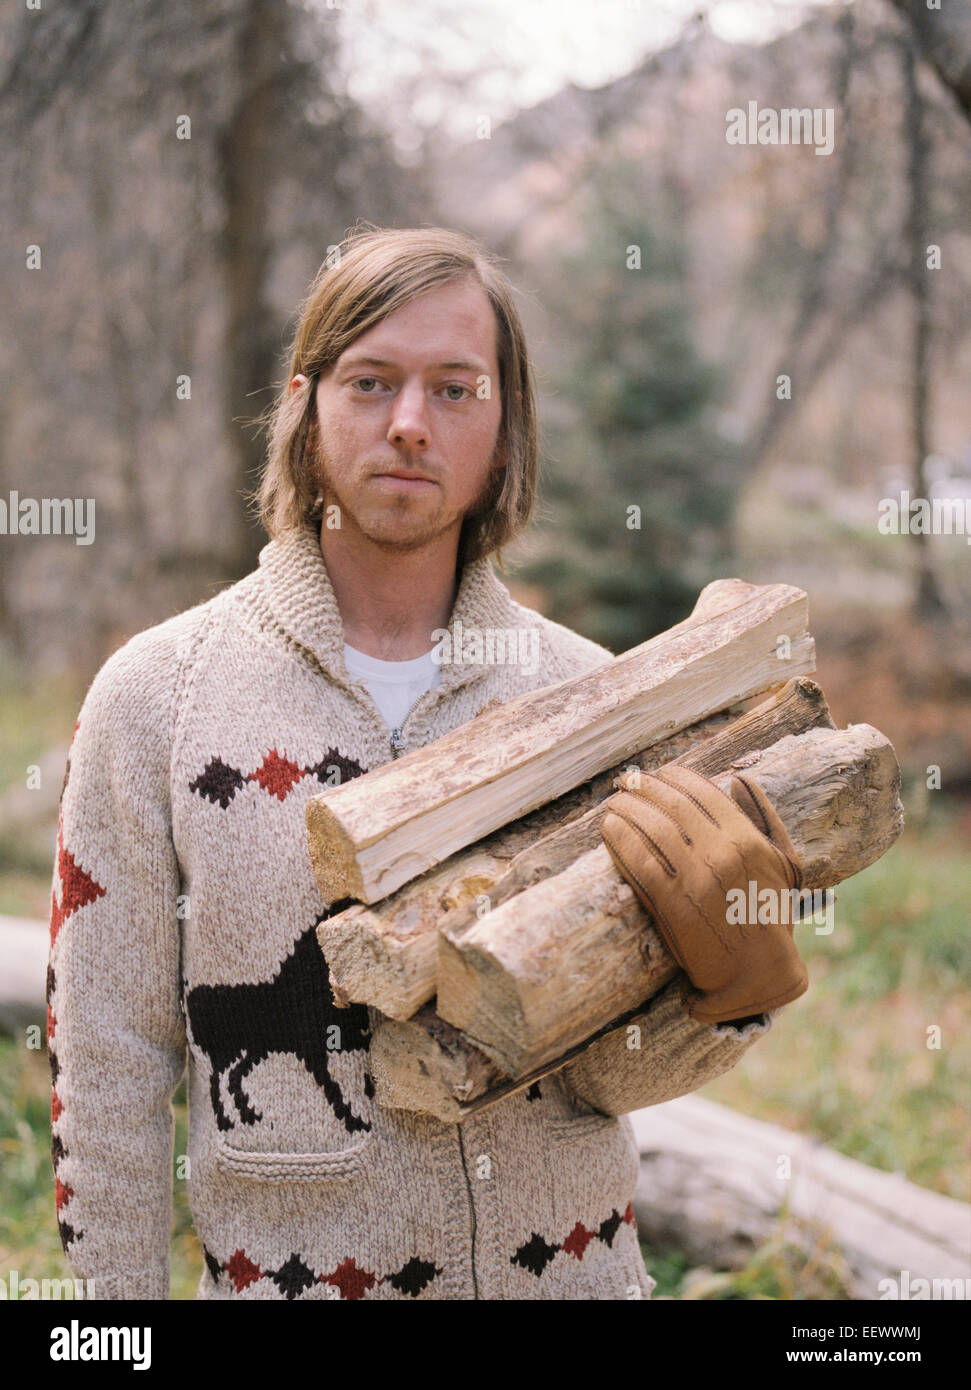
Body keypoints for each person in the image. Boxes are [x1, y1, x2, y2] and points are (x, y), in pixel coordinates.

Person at [47, 224, 804, 1301]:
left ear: (504, 429)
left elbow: (604, 1076)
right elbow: (109, 1063)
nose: (409, 424)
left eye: (455, 389)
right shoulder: (156, 699)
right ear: (306, 411)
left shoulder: (593, 700)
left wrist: (727, 995)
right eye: (370, 382)